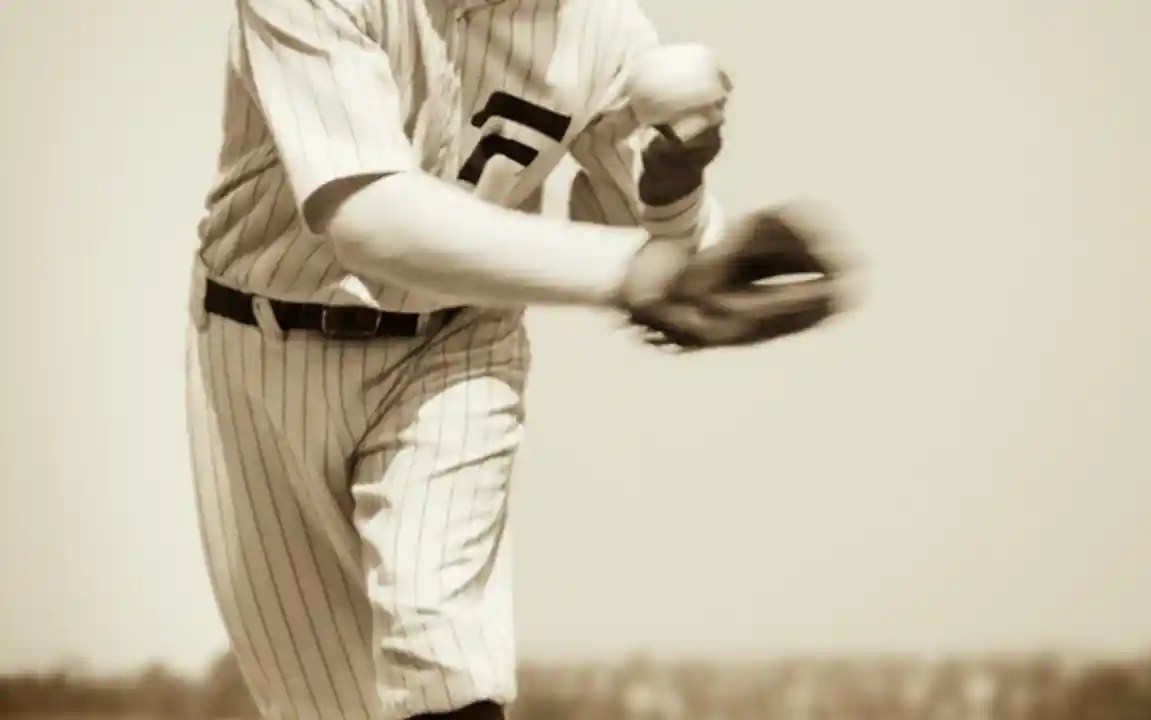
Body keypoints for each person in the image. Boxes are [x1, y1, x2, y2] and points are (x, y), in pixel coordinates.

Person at [185, 1, 848, 718]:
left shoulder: (605, 32)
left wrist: (676, 191)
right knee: (325, 708)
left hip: (457, 343)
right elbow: (368, 219)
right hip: (254, 344)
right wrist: (640, 269)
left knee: (446, 665)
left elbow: (647, 243)